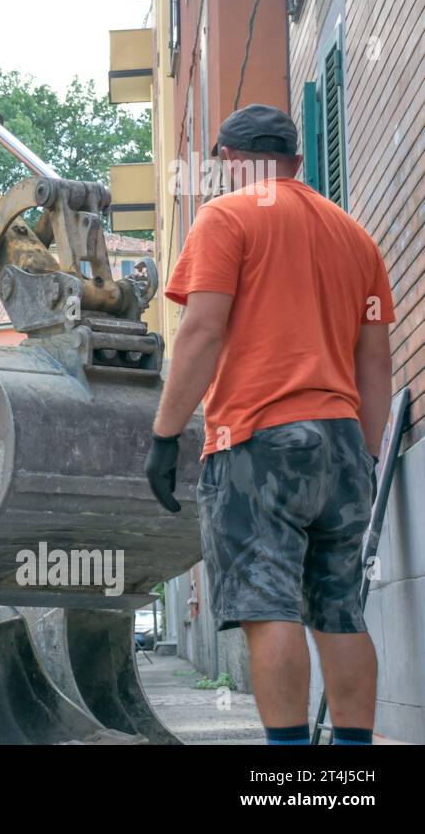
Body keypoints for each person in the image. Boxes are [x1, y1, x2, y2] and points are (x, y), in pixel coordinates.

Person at [144, 104, 394, 746]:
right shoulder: (355, 236)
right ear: (297, 161)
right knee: (340, 611)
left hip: (258, 443)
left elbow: (203, 330)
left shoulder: (226, 218)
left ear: (230, 159)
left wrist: (166, 435)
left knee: (267, 605)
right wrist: (366, 454)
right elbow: (374, 360)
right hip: (342, 444)